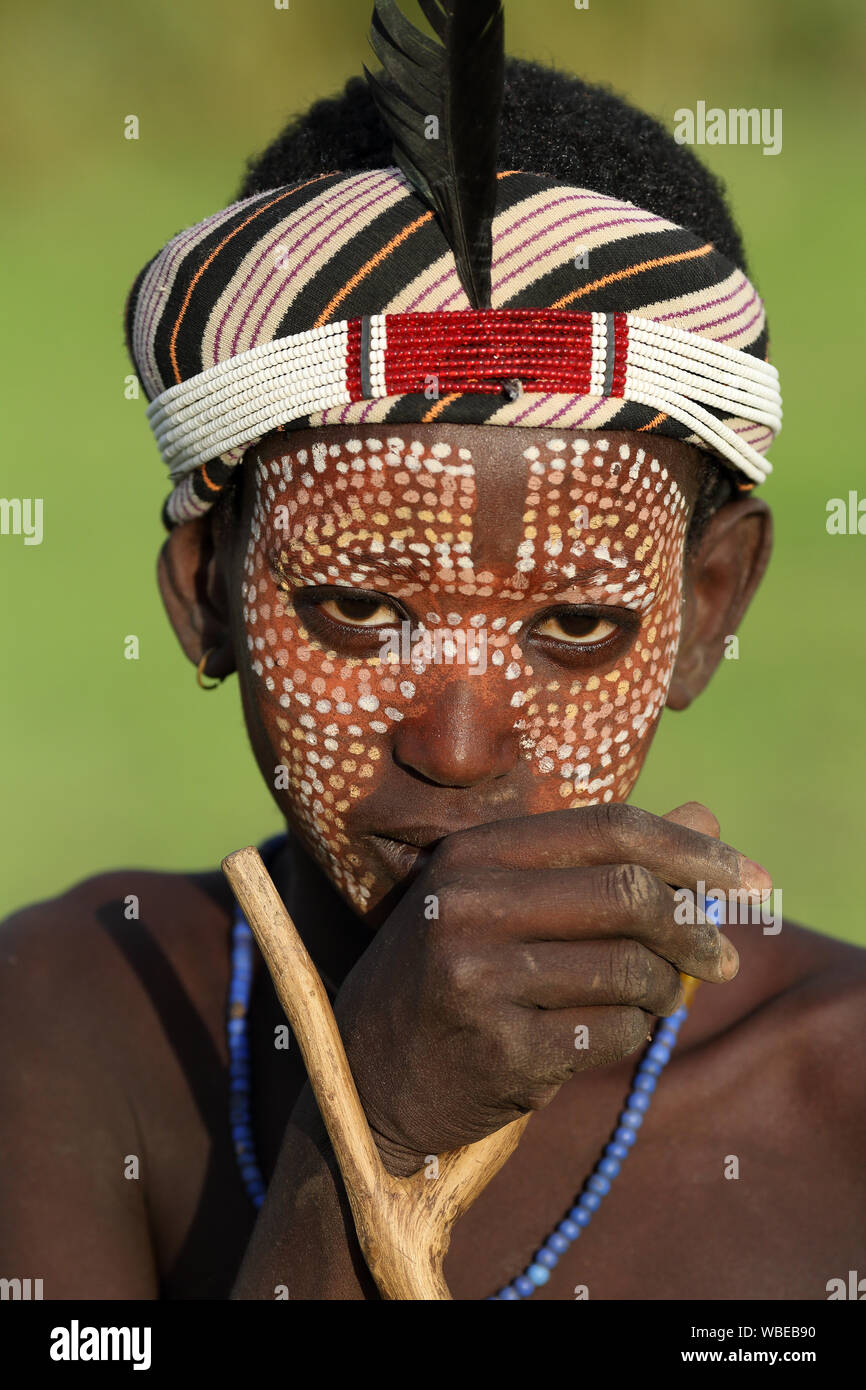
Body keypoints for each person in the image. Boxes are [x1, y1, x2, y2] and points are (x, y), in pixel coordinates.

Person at [1, 16, 863, 1301]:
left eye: (575, 624)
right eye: (356, 606)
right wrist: (372, 1137)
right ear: (208, 599)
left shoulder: (835, 1098)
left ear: (706, 603)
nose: (456, 744)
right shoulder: (73, 1025)